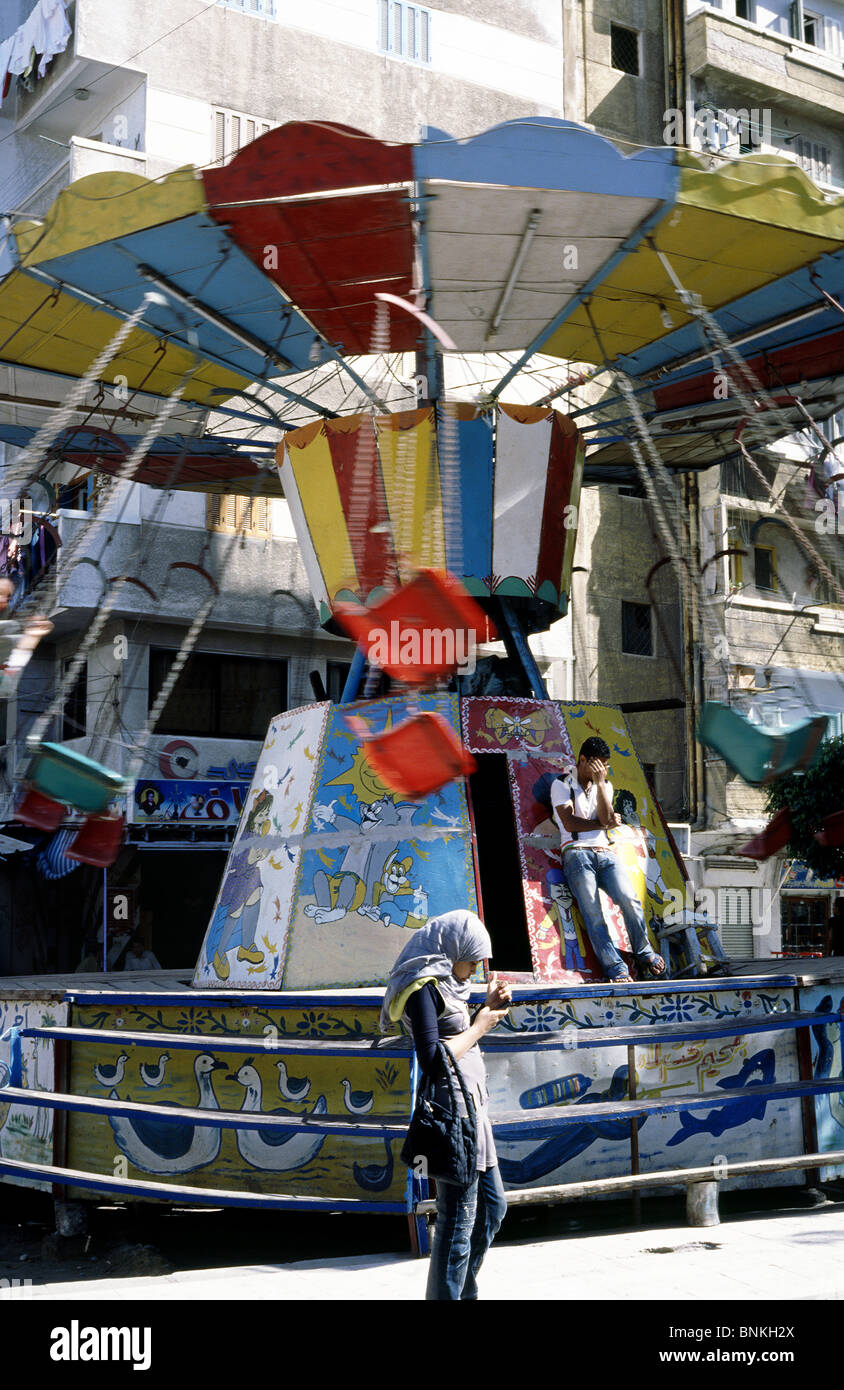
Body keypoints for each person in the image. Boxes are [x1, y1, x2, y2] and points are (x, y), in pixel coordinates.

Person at [381, 910, 511, 1300]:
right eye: (472, 959)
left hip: (475, 1111)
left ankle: (462, 1291)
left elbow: (457, 1035)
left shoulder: (450, 987)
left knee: (492, 1208)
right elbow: (434, 1059)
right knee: (458, 1221)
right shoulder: (421, 989)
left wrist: (484, 1009)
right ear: (452, 950)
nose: (475, 967)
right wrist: (479, 1026)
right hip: (453, 1115)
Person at [551, 737, 667, 984]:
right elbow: (570, 823)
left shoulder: (605, 784)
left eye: (605, 766)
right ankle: (616, 968)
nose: (602, 770)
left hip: (605, 852)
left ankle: (644, 951)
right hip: (576, 852)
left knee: (630, 899)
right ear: (583, 760)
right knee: (593, 912)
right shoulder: (561, 785)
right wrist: (603, 824)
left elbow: (605, 816)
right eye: (598, 765)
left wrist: (602, 784)